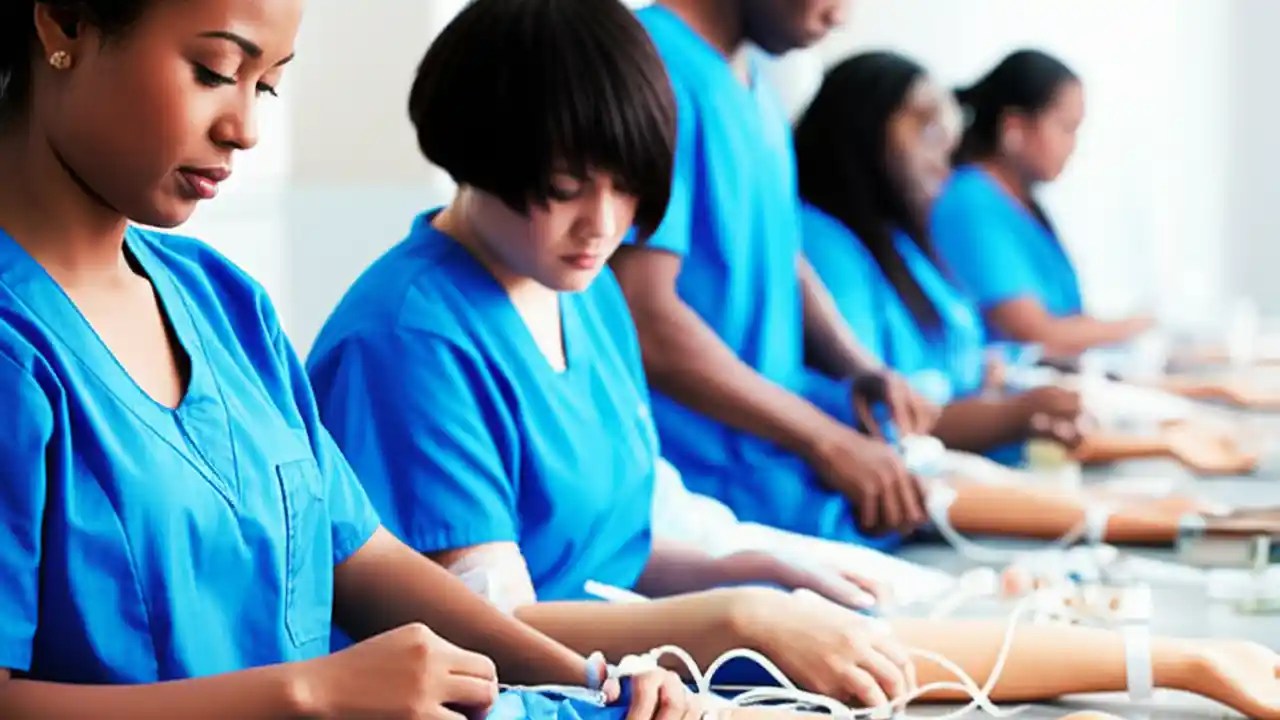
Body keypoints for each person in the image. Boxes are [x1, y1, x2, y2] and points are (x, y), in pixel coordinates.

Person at [306, 4, 1280, 717]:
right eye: (563, 189)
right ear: (469, 152)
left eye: (628, 193)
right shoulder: (412, 339)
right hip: (573, 685)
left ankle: (1182, 661)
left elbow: (634, 524)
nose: (602, 226)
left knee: (882, 627)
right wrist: (732, 615)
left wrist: (758, 568)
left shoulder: (576, 285)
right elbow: (485, 633)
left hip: (650, 649)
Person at [0, 1, 695, 718]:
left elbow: (359, 555)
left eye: (266, 86)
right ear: (64, 23)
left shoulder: (222, 304)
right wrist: (308, 694)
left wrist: (592, 681)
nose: (245, 129)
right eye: (215, 72)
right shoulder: (17, 350)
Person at [608, 0, 937, 550]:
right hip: (698, 502)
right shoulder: (647, 67)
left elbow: (777, 248)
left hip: (772, 473)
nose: (841, 18)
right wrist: (822, 440)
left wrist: (857, 365)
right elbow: (645, 316)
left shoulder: (754, 82)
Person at [795, 51, 1087, 458]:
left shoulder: (900, 241)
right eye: (927, 130)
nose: (944, 159)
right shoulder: (823, 243)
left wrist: (1000, 370)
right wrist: (1013, 414)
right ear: (864, 127)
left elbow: (956, 359)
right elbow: (877, 410)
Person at [931, 49, 1153, 356]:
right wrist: (1136, 327)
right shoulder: (970, 203)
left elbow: (1070, 318)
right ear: (1014, 128)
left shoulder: (1024, 205)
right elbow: (1033, 333)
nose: (1073, 146)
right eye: (1066, 128)